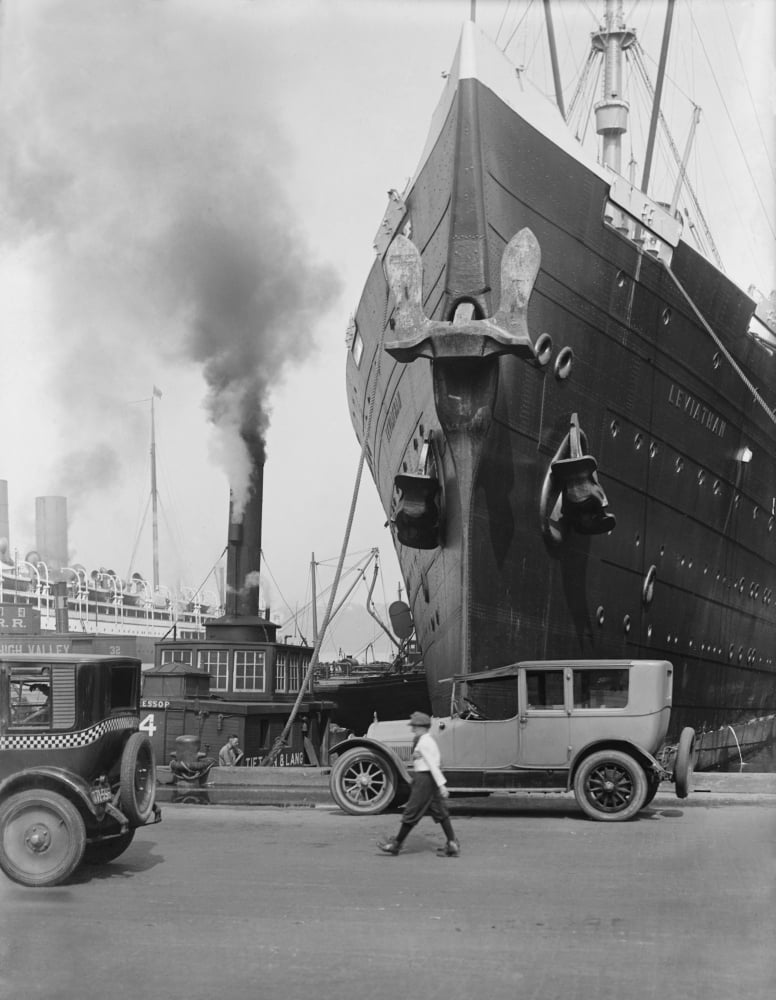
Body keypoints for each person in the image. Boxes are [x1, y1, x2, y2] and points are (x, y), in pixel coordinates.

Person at [378, 711, 460, 858]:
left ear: (422, 727)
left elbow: (433, 765)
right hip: (427, 779)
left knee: (411, 811)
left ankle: (396, 844)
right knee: (440, 811)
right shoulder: (427, 740)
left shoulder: (424, 742)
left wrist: (442, 785)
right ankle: (452, 842)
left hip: (424, 780)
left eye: (415, 726)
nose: (412, 729)